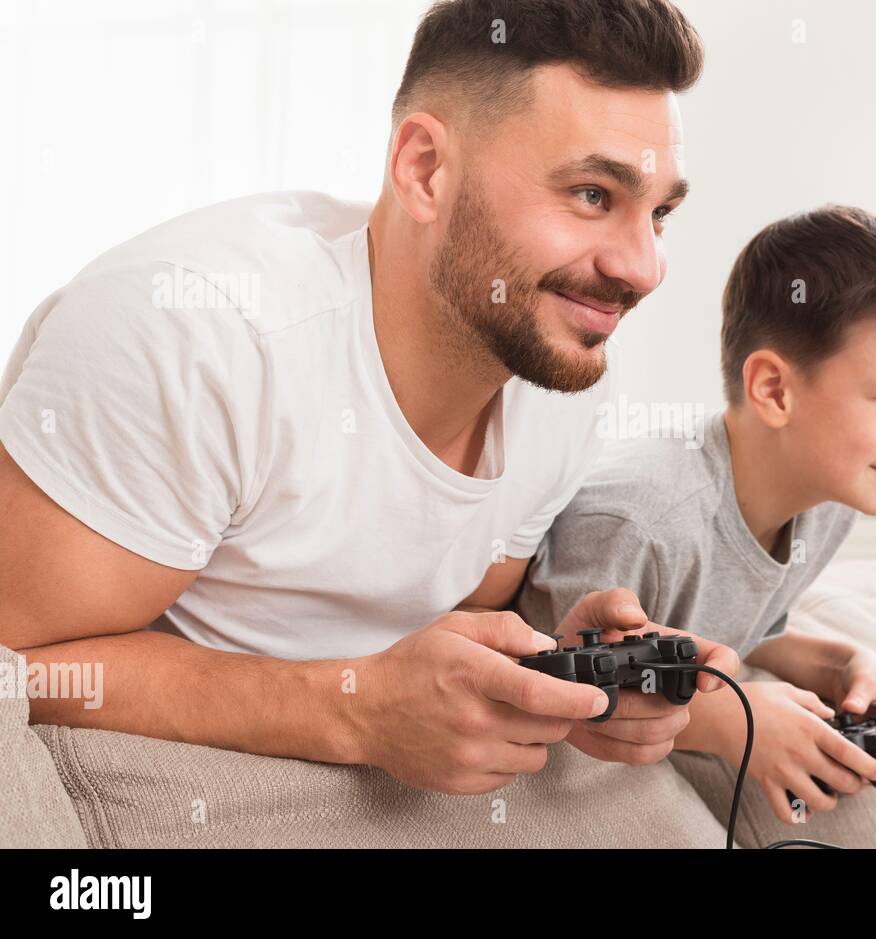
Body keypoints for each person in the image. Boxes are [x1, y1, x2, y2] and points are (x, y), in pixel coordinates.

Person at [0, 0, 739, 799]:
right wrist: (352, 711)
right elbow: (17, 663)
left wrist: (555, 677)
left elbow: (436, 624)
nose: (645, 268)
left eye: (658, 212)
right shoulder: (192, 334)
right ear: (424, 169)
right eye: (594, 194)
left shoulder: (565, 381)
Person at [518, 205, 876, 822]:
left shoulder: (827, 501)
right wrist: (733, 720)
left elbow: (738, 626)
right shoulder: (639, 524)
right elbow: (545, 685)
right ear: (774, 390)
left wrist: (842, 665)